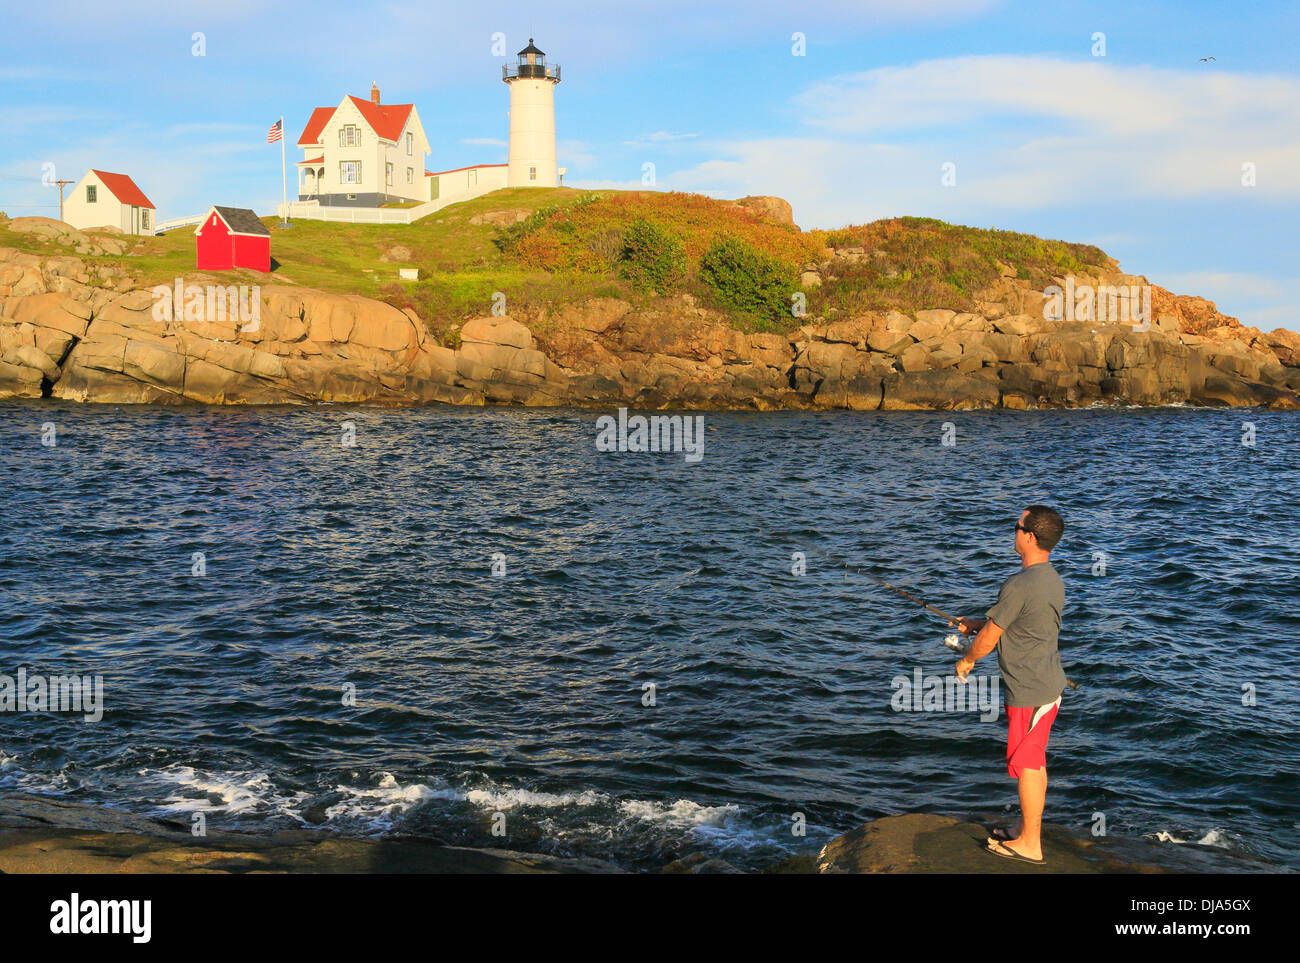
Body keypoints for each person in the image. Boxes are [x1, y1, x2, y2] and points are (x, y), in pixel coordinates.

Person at [953, 505, 1067, 865]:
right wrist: (979, 621)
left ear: (1029, 537)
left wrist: (968, 659)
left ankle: (1031, 845)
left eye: (1016, 527)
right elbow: (1021, 622)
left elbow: (989, 640)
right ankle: (1025, 830)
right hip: (1042, 686)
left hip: (1031, 691)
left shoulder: (1019, 584)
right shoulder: (1049, 579)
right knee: (1034, 761)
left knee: (1028, 764)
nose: (1013, 532)